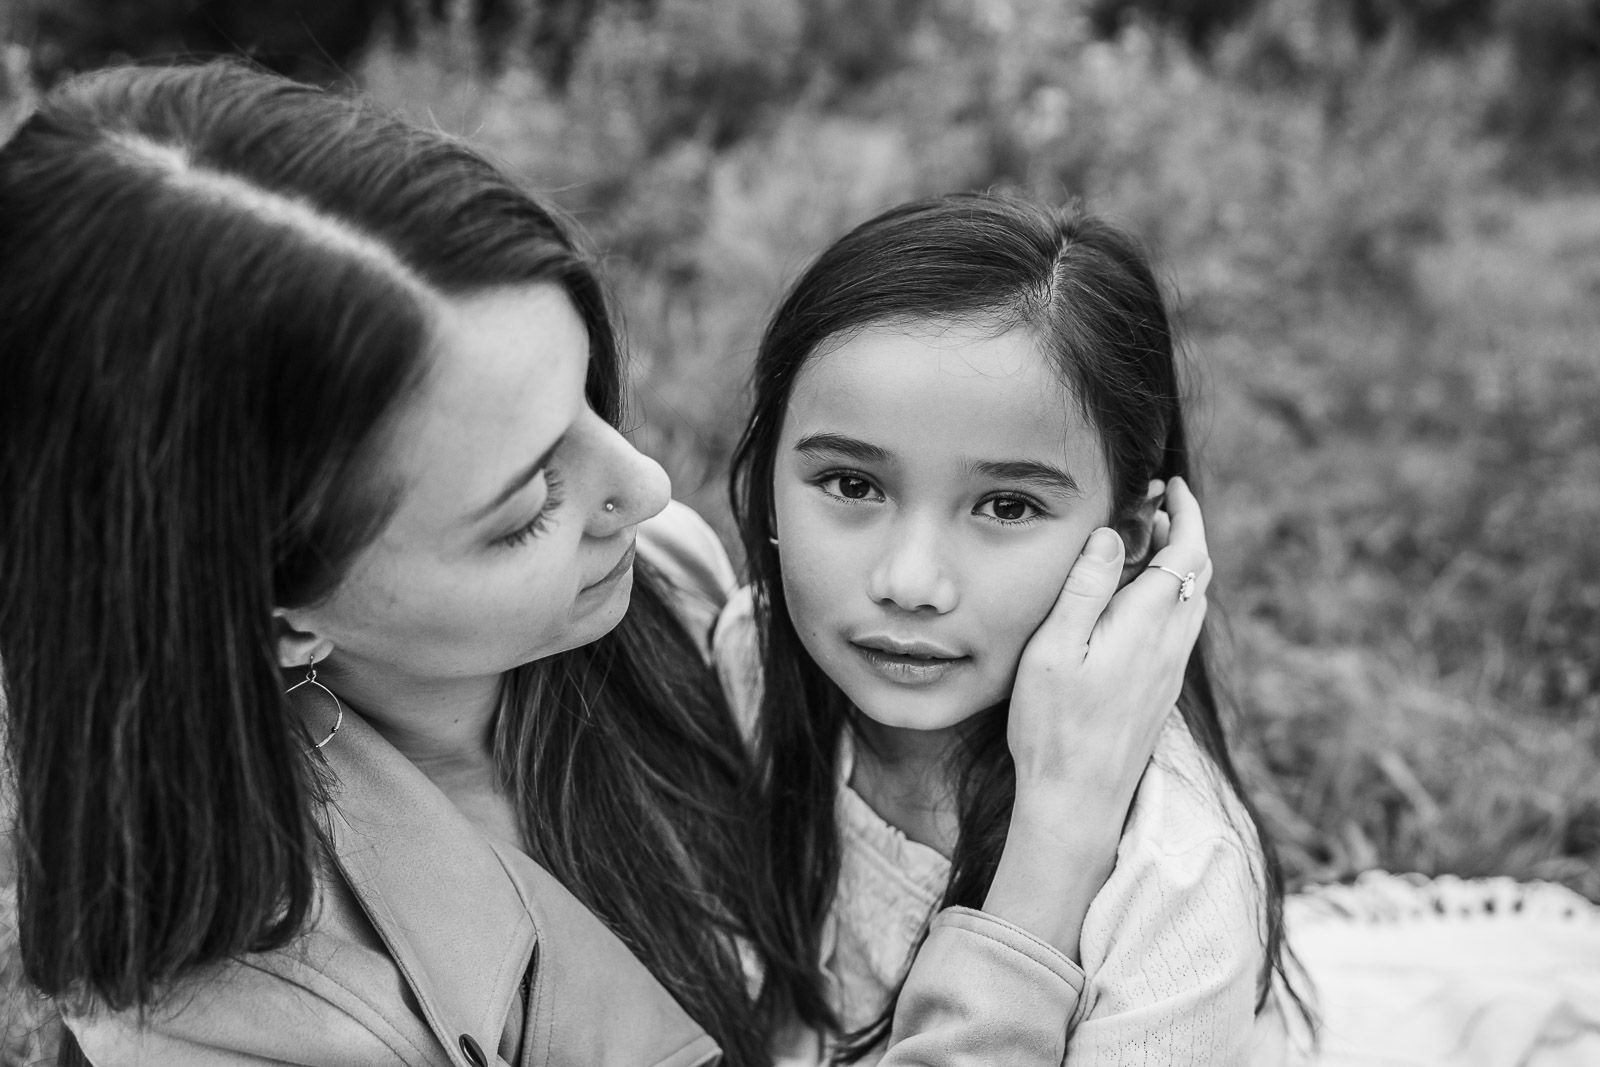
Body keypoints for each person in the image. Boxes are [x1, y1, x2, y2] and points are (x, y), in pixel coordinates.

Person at [0, 65, 1211, 1067]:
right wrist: (1052, 853)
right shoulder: (242, 1015)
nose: (646, 487)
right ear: (273, 621)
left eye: (587, 395)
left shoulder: (659, 592)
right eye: (529, 501)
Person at [719, 193, 1297, 1064]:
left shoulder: (1173, 884)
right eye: (850, 484)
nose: (908, 582)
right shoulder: (746, 665)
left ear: (1131, 543)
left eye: (1006, 504)